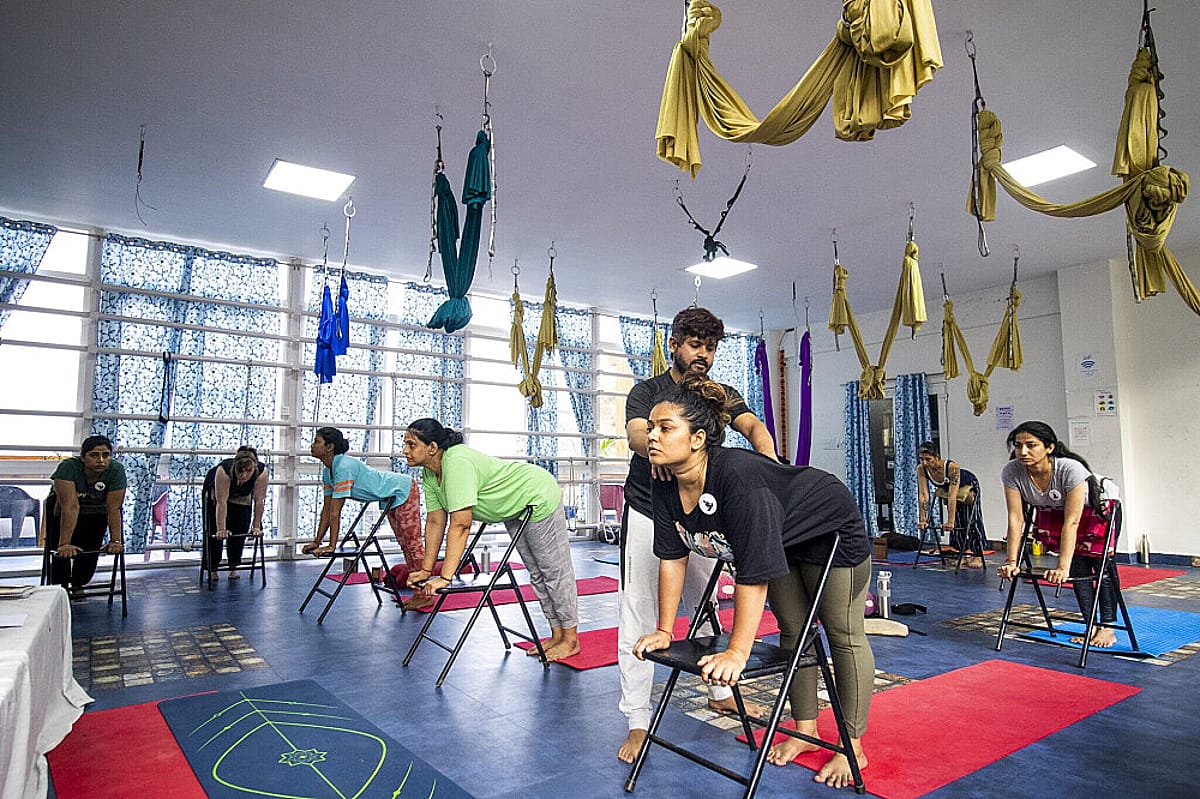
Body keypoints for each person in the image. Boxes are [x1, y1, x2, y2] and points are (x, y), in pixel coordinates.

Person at [632, 376, 873, 789]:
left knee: (841, 631)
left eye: (664, 428)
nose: (650, 436)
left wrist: (737, 652)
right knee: (794, 632)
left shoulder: (738, 478)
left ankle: (852, 747)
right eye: (651, 426)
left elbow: (752, 572)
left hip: (830, 529)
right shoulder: (665, 480)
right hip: (784, 537)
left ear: (697, 439)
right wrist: (663, 630)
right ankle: (807, 729)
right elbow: (672, 557)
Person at [618, 306, 779, 763]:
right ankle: (636, 719)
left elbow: (752, 427)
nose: (703, 354)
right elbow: (634, 433)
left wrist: (767, 460)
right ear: (674, 344)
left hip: (703, 512)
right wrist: (656, 440)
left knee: (704, 602)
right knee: (640, 612)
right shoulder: (649, 391)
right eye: (694, 345)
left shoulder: (717, 393)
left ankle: (717, 686)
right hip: (650, 511)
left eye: (710, 347)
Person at [402, 418, 580, 662]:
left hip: (537, 494)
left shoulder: (457, 462)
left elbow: (461, 524)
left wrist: (444, 578)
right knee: (537, 573)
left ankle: (571, 640)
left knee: (553, 571)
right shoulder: (430, 473)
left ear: (432, 447)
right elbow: (435, 521)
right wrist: (425, 570)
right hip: (513, 506)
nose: (405, 451)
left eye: (411, 445)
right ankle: (557, 634)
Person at [997, 421, 1118, 648]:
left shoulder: (1069, 469)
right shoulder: (1012, 471)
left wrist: (1061, 567)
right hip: (1055, 511)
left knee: (1101, 566)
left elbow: (1071, 522)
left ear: (1049, 447)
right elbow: (1016, 519)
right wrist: (1011, 562)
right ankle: (1090, 624)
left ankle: (1108, 627)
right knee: (1078, 568)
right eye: (1018, 445)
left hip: (1096, 510)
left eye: (1031, 445)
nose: (1023, 452)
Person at [306, 427, 426, 606]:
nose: (312, 445)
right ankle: (419, 594)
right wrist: (317, 542)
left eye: (316, 441)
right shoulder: (328, 471)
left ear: (329, 447)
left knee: (413, 545)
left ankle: (424, 595)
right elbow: (327, 509)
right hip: (390, 494)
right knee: (405, 545)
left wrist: (331, 546)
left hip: (403, 489)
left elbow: (335, 511)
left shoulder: (343, 466)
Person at [45, 435, 126, 595]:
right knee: (61, 555)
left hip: (95, 514)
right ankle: (59, 590)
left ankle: (78, 584)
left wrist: (116, 541)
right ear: (83, 457)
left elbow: (114, 508)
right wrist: (64, 544)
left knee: (89, 552)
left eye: (106, 455)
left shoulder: (116, 470)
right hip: (62, 512)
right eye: (94, 455)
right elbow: (70, 507)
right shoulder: (68, 467)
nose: (101, 460)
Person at [202, 446, 269, 582]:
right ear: (235, 466)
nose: (244, 475)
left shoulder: (261, 472)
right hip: (217, 496)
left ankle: (234, 566)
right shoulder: (224, 470)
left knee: (240, 527)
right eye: (241, 471)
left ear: (254, 467)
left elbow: (259, 502)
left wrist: (256, 526)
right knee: (215, 533)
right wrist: (221, 529)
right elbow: (221, 502)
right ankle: (213, 568)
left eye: (248, 471)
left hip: (242, 497)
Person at [916, 441, 986, 567]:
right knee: (958, 521)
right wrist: (923, 519)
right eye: (922, 459)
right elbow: (923, 495)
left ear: (937, 457)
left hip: (967, 485)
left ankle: (978, 555)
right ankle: (962, 553)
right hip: (949, 490)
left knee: (970, 519)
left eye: (928, 459)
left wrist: (950, 522)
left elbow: (952, 496)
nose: (925, 463)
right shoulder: (922, 469)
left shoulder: (952, 467)